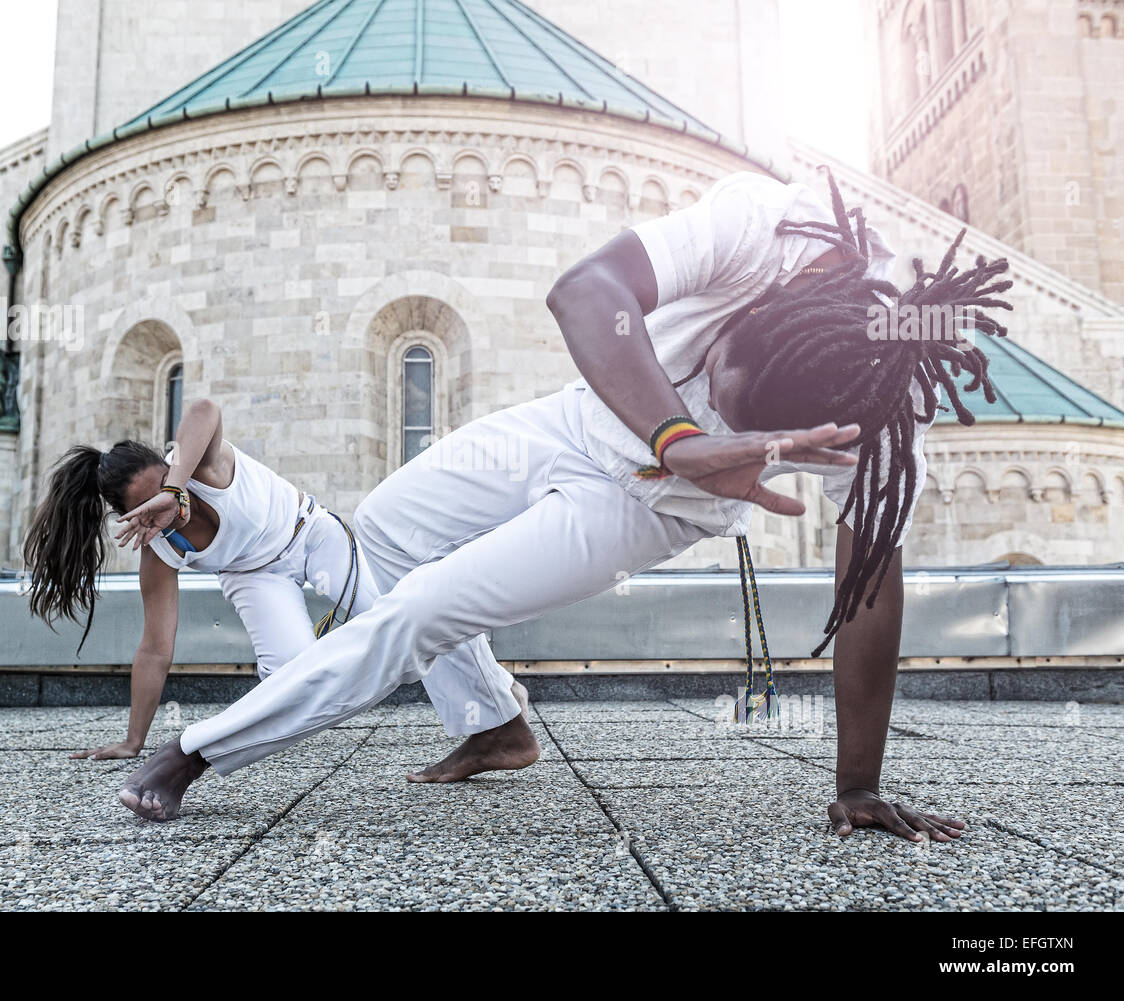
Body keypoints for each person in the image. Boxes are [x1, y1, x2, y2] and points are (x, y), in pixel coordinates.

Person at [115, 167, 1011, 843]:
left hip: (654, 504)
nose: (724, 404)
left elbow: (868, 592)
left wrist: (858, 782)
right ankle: (494, 720)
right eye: (730, 382)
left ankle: (194, 754)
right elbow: (586, 291)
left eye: (752, 417)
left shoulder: (885, 418)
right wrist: (686, 434)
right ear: (775, 304)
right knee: (385, 526)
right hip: (587, 418)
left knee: (420, 610)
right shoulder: (768, 227)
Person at [24, 398, 389, 758]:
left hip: (308, 533)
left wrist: (174, 486)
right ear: (136, 515)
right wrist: (133, 741)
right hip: (255, 575)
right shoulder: (160, 551)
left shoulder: (199, 465)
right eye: (152, 505)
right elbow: (155, 649)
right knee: (292, 678)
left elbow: (204, 409)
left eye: (165, 485)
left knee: (388, 615)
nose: (168, 505)